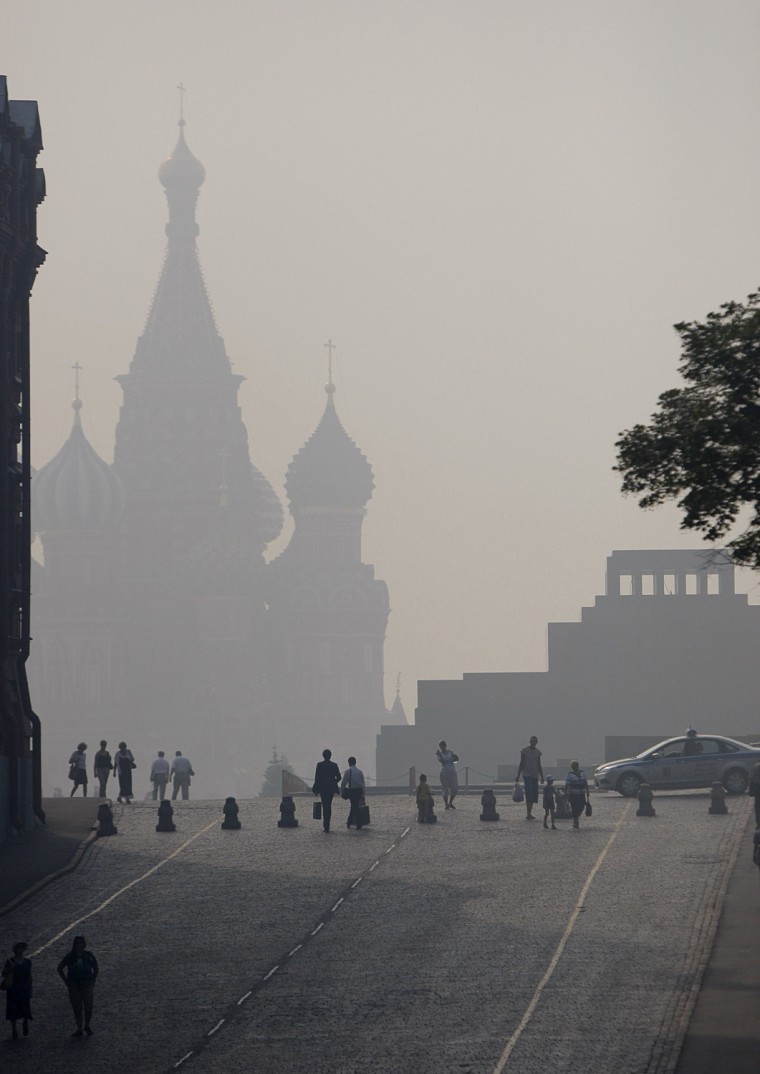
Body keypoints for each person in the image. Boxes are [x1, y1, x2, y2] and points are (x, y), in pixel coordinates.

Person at [57, 935, 98, 1037]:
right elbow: (60, 968)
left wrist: (93, 980)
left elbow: (96, 967)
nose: (79, 945)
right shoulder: (70, 957)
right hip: (74, 984)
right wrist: (66, 981)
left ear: (84, 945)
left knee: (88, 1006)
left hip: (87, 983)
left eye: (81, 943)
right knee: (77, 1007)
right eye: (77, 943)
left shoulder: (88, 956)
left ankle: (87, 1025)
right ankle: (79, 1028)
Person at [2, 942, 32, 1040]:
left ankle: (25, 1022)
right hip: (13, 988)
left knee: (25, 1007)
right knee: (13, 1009)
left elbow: (29, 976)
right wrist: (12, 968)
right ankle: (14, 1029)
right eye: (19, 947)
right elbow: (4, 973)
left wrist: (30, 988)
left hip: (24, 988)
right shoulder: (10, 961)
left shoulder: (27, 962)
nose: (20, 949)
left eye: (22, 947)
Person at [312, 748, 342, 833]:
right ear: (330, 756)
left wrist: (315, 789)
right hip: (331, 789)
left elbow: (317, 778)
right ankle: (327, 824)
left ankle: (326, 826)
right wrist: (333, 782)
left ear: (323, 756)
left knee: (325, 805)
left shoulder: (320, 765)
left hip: (322, 788)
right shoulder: (334, 765)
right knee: (328, 805)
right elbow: (339, 777)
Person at [516, 735, 544, 820]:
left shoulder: (538, 752)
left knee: (533, 795)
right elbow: (522, 763)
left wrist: (542, 776)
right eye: (532, 741)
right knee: (529, 794)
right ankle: (528, 813)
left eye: (535, 741)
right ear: (530, 741)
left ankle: (530, 812)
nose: (533, 742)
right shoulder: (524, 751)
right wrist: (518, 775)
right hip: (527, 775)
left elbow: (539, 764)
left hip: (535, 775)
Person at [341, 756, 366, 829]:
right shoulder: (360, 772)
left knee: (354, 806)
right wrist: (363, 794)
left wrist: (342, 791)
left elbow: (343, 783)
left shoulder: (348, 772)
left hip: (352, 791)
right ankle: (352, 822)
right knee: (355, 806)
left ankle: (354, 822)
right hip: (359, 791)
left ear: (349, 763)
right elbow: (363, 784)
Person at [565, 760, 589, 829]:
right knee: (574, 807)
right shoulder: (570, 775)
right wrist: (565, 793)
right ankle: (575, 821)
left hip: (581, 794)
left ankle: (577, 817)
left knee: (581, 806)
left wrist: (587, 791)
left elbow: (585, 782)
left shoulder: (582, 773)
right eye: (574, 766)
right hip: (573, 794)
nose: (575, 767)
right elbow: (566, 785)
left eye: (576, 765)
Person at [436, 740, 459, 809]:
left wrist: (454, 758)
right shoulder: (439, 754)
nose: (442, 747)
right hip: (444, 773)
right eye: (441, 746)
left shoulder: (450, 752)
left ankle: (450, 802)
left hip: (452, 771)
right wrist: (441, 756)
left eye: (443, 746)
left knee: (455, 788)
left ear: (445, 746)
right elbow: (443, 762)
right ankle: (446, 804)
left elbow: (456, 760)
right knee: (445, 788)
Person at [749, 762, 760, 826]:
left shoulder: (756, 766)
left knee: (758, 806)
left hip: (757, 789)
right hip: (757, 788)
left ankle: (758, 822)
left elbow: (752, 778)